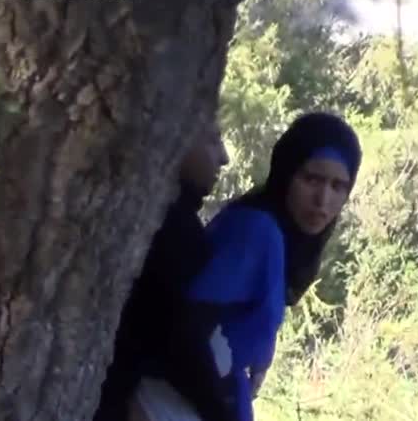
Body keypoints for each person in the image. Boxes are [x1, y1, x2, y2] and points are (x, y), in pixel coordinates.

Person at [133, 112, 362, 421]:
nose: (323, 199)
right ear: (286, 174)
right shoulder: (257, 230)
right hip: (165, 401)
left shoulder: (281, 237)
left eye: (338, 186)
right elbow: (184, 327)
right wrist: (220, 409)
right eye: (311, 179)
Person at [92, 120, 229, 421]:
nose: (223, 157)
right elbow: (178, 337)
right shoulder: (169, 228)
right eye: (212, 139)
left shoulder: (166, 219)